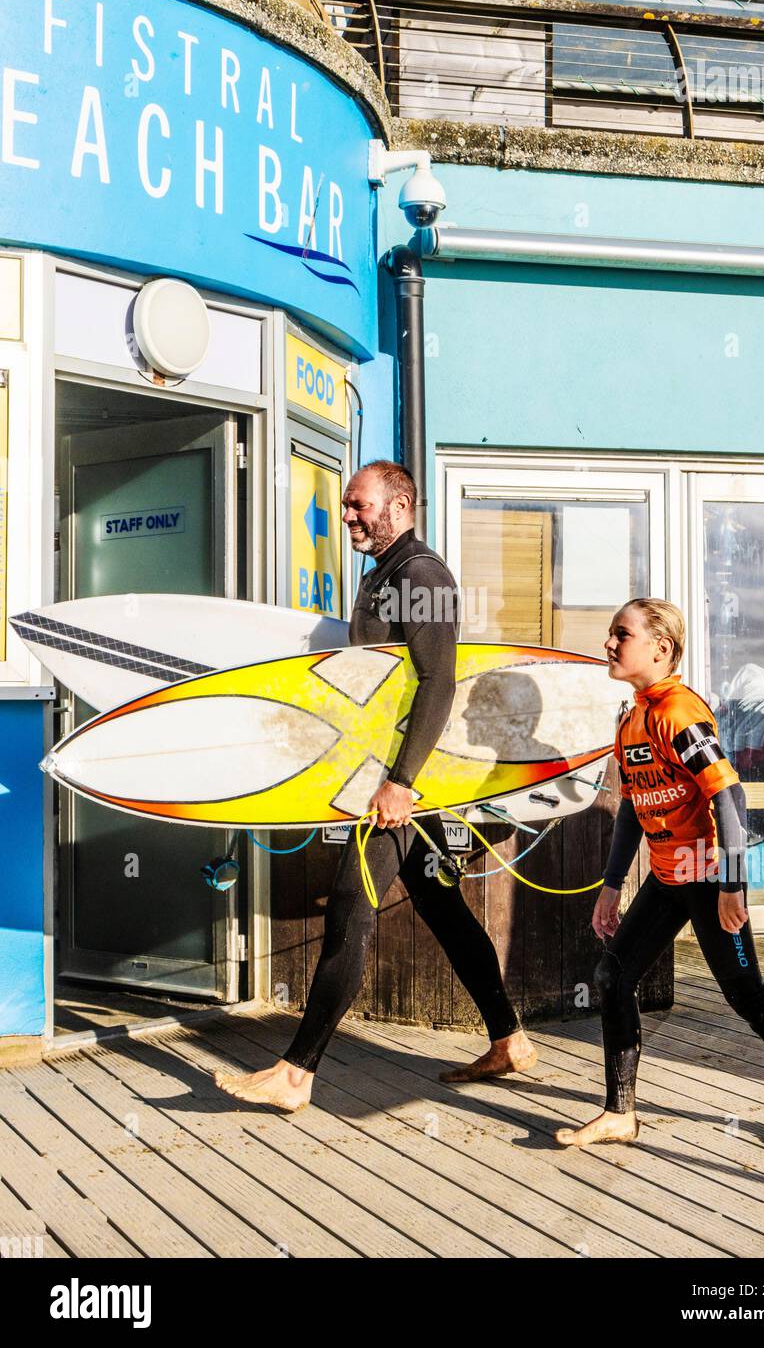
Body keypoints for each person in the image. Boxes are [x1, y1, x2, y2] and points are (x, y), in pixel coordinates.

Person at [216, 460, 535, 1112]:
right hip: (394, 779)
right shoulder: (387, 575)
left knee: (349, 911)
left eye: (359, 504)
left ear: (400, 503)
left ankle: (296, 1074)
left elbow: (438, 682)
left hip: (399, 788)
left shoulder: (422, 575)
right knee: (442, 908)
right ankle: (509, 1038)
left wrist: (402, 783)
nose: (348, 515)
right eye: (347, 505)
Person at [555, 598, 764, 1153]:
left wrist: (733, 885)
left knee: (747, 997)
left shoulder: (678, 713)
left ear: (660, 648)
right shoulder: (632, 715)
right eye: (611, 634)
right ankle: (620, 1113)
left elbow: (729, 793)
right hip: (668, 880)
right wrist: (611, 887)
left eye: (622, 634)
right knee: (614, 976)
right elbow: (631, 810)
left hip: (710, 877)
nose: (609, 644)